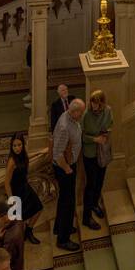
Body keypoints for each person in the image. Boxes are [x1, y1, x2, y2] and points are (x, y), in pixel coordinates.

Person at [53, 98, 85, 249]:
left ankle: (60, 227)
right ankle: (63, 239)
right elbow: (57, 154)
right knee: (68, 203)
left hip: (69, 165)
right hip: (64, 168)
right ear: (74, 112)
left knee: (66, 200)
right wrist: (67, 169)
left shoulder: (70, 118)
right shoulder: (65, 126)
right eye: (81, 112)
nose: (82, 115)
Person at [81, 89, 113, 230]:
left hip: (102, 152)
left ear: (101, 103)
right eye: (92, 103)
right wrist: (95, 139)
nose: (94, 106)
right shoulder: (86, 115)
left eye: (96, 104)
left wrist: (105, 133)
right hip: (90, 153)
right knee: (91, 184)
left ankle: (95, 204)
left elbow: (110, 125)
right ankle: (87, 217)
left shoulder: (107, 111)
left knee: (100, 180)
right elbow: (81, 136)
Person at [4, 132, 43, 245]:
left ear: (23, 144)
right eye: (14, 145)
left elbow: (28, 156)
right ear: (11, 146)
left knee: (39, 208)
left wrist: (40, 152)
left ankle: (29, 230)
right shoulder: (12, 161)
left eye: (19, 145)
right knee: (18, 221)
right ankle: (22, 234)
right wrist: (11, 200)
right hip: (16, 193)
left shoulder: (23, 156)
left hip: (25, 188)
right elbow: (6, 182)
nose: (17, 148)